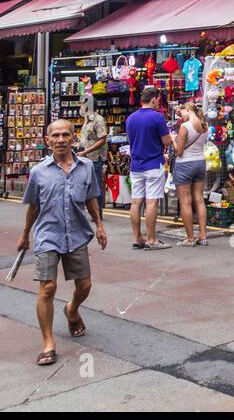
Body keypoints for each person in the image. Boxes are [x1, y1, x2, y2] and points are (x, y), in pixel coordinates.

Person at [17, 119, 108, 366]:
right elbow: (34, 206)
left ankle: (72, 309)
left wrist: (99, 225)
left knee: (85, 285)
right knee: (47, 288)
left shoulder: (86, 167)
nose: (60, 139)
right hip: (48, 235)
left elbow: (91, 198)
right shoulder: (38, 172)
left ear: (72, 138)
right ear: (48, 141)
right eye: (55, 135)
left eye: (65, 135)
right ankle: (48, 342)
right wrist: (25, 234)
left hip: (77, 233)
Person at [125, 87, 173, 250]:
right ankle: (151, 239)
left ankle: (137, 238)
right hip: (153, 163)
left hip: (136, 164)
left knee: (136, 202)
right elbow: (166, 141)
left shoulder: (131, 118)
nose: (159, 102)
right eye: (158, 99)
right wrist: (172, 138)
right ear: (153, 99)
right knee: (152, 202)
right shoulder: (157, 118)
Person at [172, 104, 210, 247]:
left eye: (180, 112)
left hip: (185, 165)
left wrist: (172, 140)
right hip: (200, 163)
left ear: (188, 109)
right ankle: (203, 236)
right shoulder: (205, 126)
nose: (180, 116)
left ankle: (190, 238)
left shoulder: (185, 127)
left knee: (185, 202)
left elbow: (179, 151)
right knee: (199, 200)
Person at [77, 96, 109, 210]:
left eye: (82, 105)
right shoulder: (87, 119)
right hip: (85, 157)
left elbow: (102, 140)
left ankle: (97, 212)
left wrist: (85, 151)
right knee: (85, 185)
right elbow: (88, 138)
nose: (80, 107)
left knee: (96, 186)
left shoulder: (98, 120)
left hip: (95, 158)